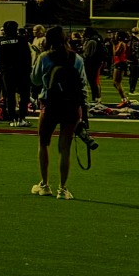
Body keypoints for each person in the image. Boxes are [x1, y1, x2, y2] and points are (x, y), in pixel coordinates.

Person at [32, 25, 85, 199]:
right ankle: (63, 188)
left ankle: (45, 183)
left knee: (43, 143)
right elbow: (83, 84)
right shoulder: (76, 58)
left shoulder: (44, 57)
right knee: (65, 148)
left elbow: (35, 80)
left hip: (50, 103)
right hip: (71, 105)